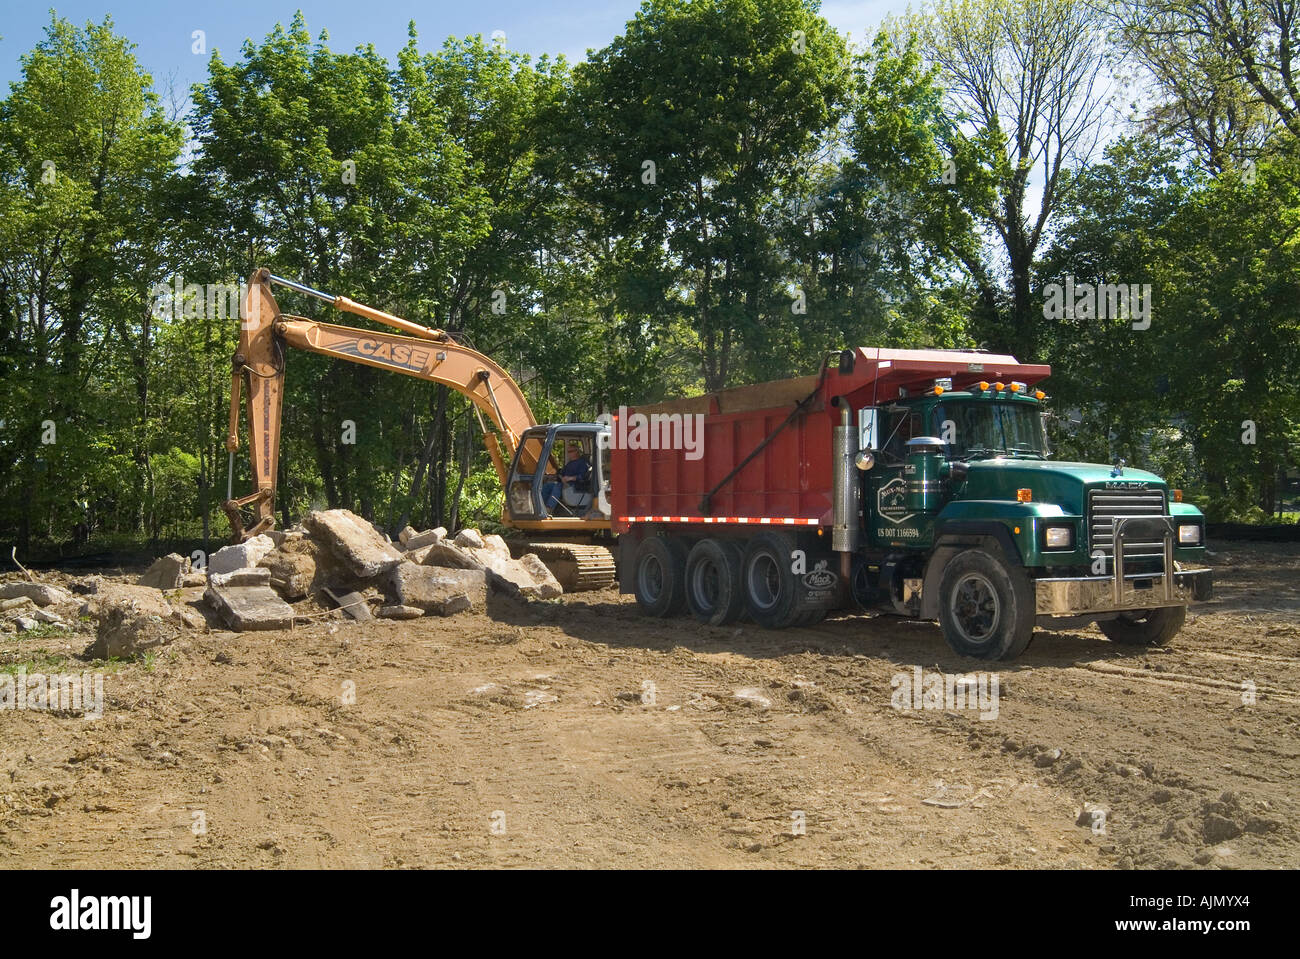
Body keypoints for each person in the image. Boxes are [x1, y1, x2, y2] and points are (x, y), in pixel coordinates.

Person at [542, 442, 590, 512]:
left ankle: (549, 508)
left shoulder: (582, 463)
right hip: (565, 484)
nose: (569, 453)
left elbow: (582, 477)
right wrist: (553, 477)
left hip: (575, 486)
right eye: (568, 452)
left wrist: (570, 478)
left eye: (570, 451)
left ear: (577, 451)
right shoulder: (569, 463)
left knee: (557, 486)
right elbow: (561, 473)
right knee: (547, 485)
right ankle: (542, 506)